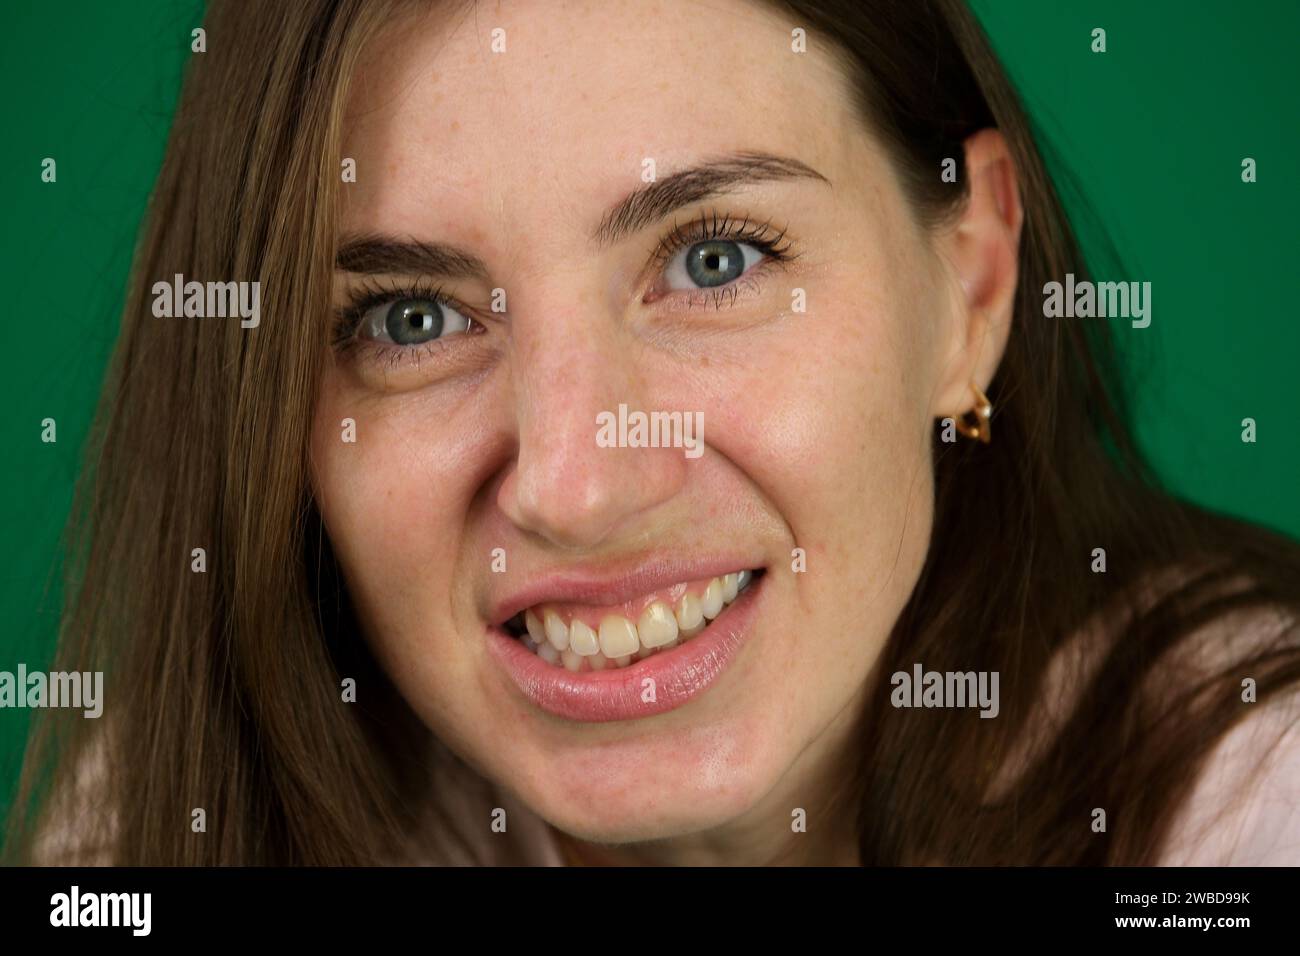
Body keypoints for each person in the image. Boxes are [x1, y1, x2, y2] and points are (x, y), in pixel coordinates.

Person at [11, 0, 1300, 867]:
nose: (575, 487)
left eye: (714, 258)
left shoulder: (1259, 808)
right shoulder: (168, 820)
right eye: (411, 318)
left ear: (969, 289)